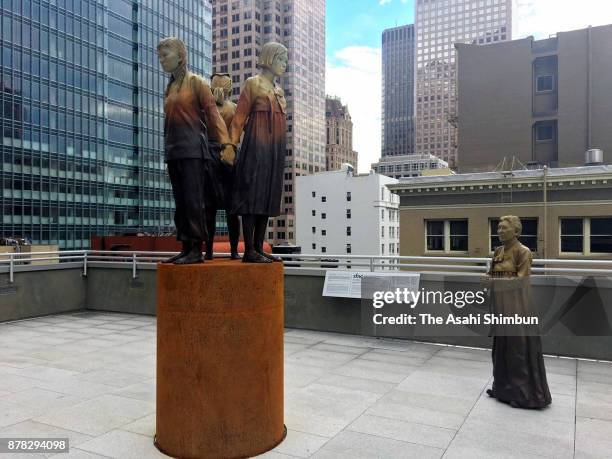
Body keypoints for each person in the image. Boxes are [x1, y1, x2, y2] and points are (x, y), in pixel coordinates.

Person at [157, 37, 236, 264]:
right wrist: (167, 150)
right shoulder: (170, 87)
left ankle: (196, 250)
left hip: (194, 152)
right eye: (160, 56)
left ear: (180, 56)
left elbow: (213, 116)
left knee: (194, 202)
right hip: (174, 152)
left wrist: (227, 146)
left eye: (165, 55)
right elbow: (167, 123)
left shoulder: (197, 83)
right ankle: (186, 247)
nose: (161, 60)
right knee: (180, 202)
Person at [229, 42, 288, 263]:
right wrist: (231, 146)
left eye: (285, 60)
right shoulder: (253, 83)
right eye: (281, 60)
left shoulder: (279, 91)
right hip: (256, 145)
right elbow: (239, 118)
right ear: (270, 58)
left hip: (275, 149)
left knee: (267, 195)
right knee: (252, 195)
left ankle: (259, 247)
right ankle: (249, 250)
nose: (285, 65)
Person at [486, 215, 552, 409]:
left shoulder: (523, 252)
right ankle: (502, 388)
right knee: (501, 349)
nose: (499, 231)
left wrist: (494, 282)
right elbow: (492, 273)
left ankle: (524, 394)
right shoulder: (498, 251)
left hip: (518, 307)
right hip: (500, 307)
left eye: (504, 228)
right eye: (498, 228)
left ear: (516, 231)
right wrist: (488, 278)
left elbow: (521, 280)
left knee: (518, 350)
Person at [202, 73, 241, 260]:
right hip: (228, 156)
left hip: (209, 157)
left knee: (209, 210)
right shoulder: (233, 108)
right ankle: (233, 251)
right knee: (232, 210)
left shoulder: (205, 108)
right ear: (229, 89)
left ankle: (208, 251)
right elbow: (239, 132)